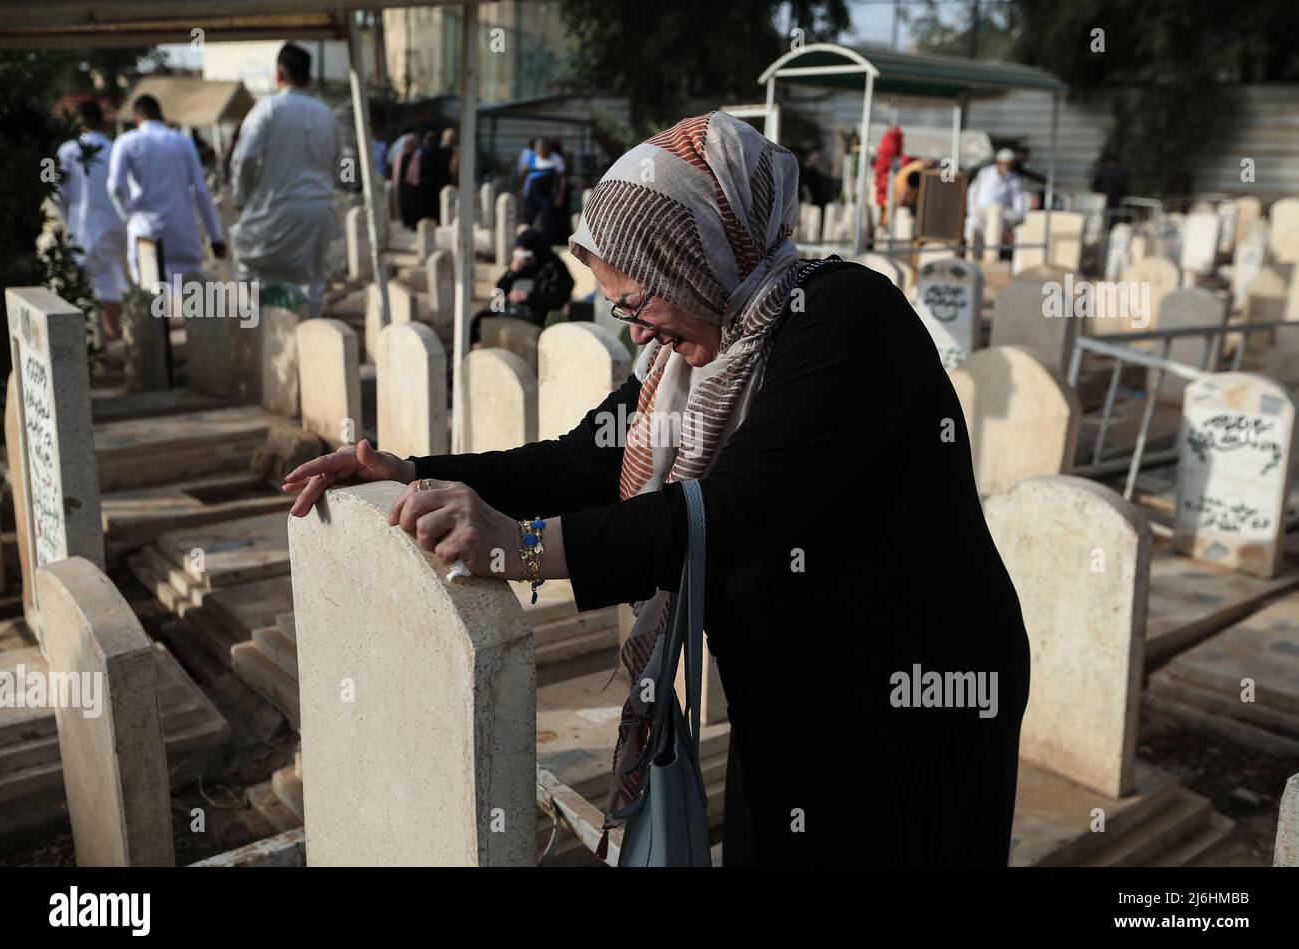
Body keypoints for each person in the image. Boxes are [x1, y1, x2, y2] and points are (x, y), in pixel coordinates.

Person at [282, 111, 1030, 867]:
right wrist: (412, 472)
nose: (635, 332)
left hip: (908, 692)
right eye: (620, 309)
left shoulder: (840, 317)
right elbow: (584, 460)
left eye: (640, 301)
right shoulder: (699, 352)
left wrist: (525, 548)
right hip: (792, 688)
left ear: (694, 258)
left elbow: (738, 510)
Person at [229, 43, 340, 314]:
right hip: (318, 212)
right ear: (308, 77)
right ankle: (311, 337)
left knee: (247, 266)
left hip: (275, 211)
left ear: (279, 74)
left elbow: (244, 158)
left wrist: (241, 199)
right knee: (313, 283)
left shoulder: (267, 109)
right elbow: (336, 164)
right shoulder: (328, 116)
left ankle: (255, 337)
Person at [107, 94, 225, 282]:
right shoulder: (183, 142)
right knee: (186, 298)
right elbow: (201, 191)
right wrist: (215, 236)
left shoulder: (126, 142)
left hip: (146, 233)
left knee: (153, 298)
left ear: (137, 119)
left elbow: (115, 187)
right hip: (183, 234)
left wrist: (129, 215)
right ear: (161, 116)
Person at [56, 99, 127, 340]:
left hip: (81, 226)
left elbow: (57, 192)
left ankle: (99, 339)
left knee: (85, 283)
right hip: (113, 224)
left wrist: (68, 218)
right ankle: (116, 332)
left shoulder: (66, 151)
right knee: (112, 278)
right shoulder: (114, 148)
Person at [470, 227, 575, 343]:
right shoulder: (520, 266)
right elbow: (500, 290)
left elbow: (556, 298)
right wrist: (512, 272)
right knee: (479, 320)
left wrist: (527, 297)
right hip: (513, 310)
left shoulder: (554, 267)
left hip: (539, 315)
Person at [965, 147, 1026, 255]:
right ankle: (974, 255)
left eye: (1009, 164)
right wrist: (971, 209)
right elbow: (973, 192)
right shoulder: (985, 173)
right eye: (1004, 163)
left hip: (1002, 213)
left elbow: (1018, 198)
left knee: (995, 218)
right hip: (980, 210)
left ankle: (991, 255)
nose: (1006, 166)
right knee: (975, 229)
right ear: (998, 162)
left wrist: (1018, 216)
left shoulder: (1015, 179)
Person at [521, 138, 565, 243]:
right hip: (533, 193)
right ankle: (525, 241)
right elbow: (524, 174)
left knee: (547, 220)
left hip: (547, 194)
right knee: (528, 219)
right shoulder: (532, 158)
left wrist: (560, 196)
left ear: (548, 149)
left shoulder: (556, 159)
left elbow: (562, 178)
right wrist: (522, 189)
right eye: (539, 151)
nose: (541, 154)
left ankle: (547, 243)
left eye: (543, 151)